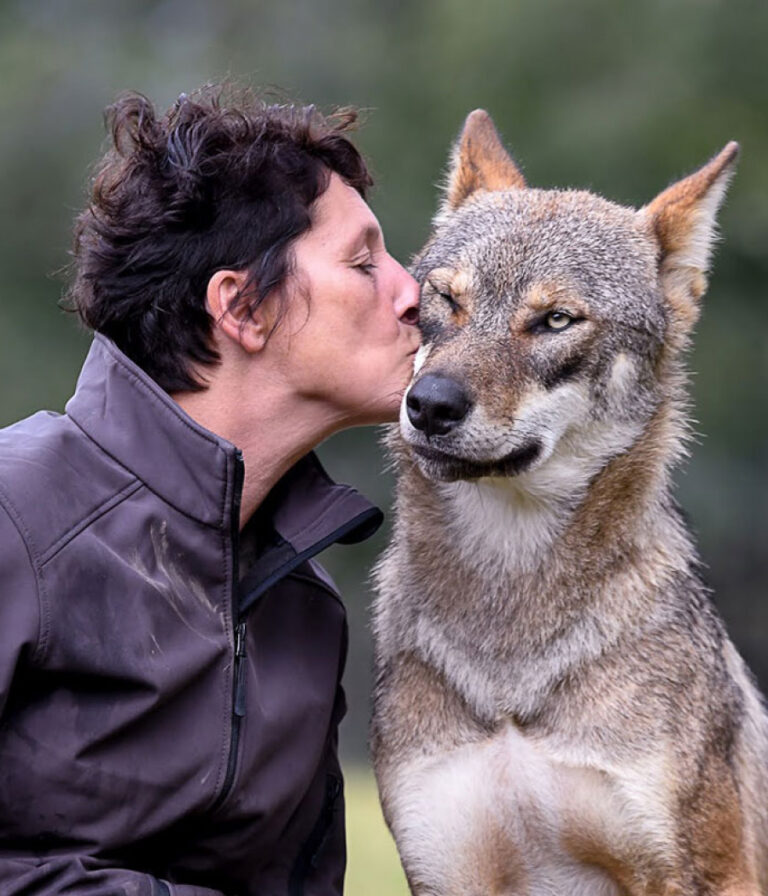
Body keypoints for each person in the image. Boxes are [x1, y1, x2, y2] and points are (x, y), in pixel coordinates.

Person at [0, 85, 420, 895]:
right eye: (365, 264)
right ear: (241, 308)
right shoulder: (17, 516)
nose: (413, 295)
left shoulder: (305, 604)